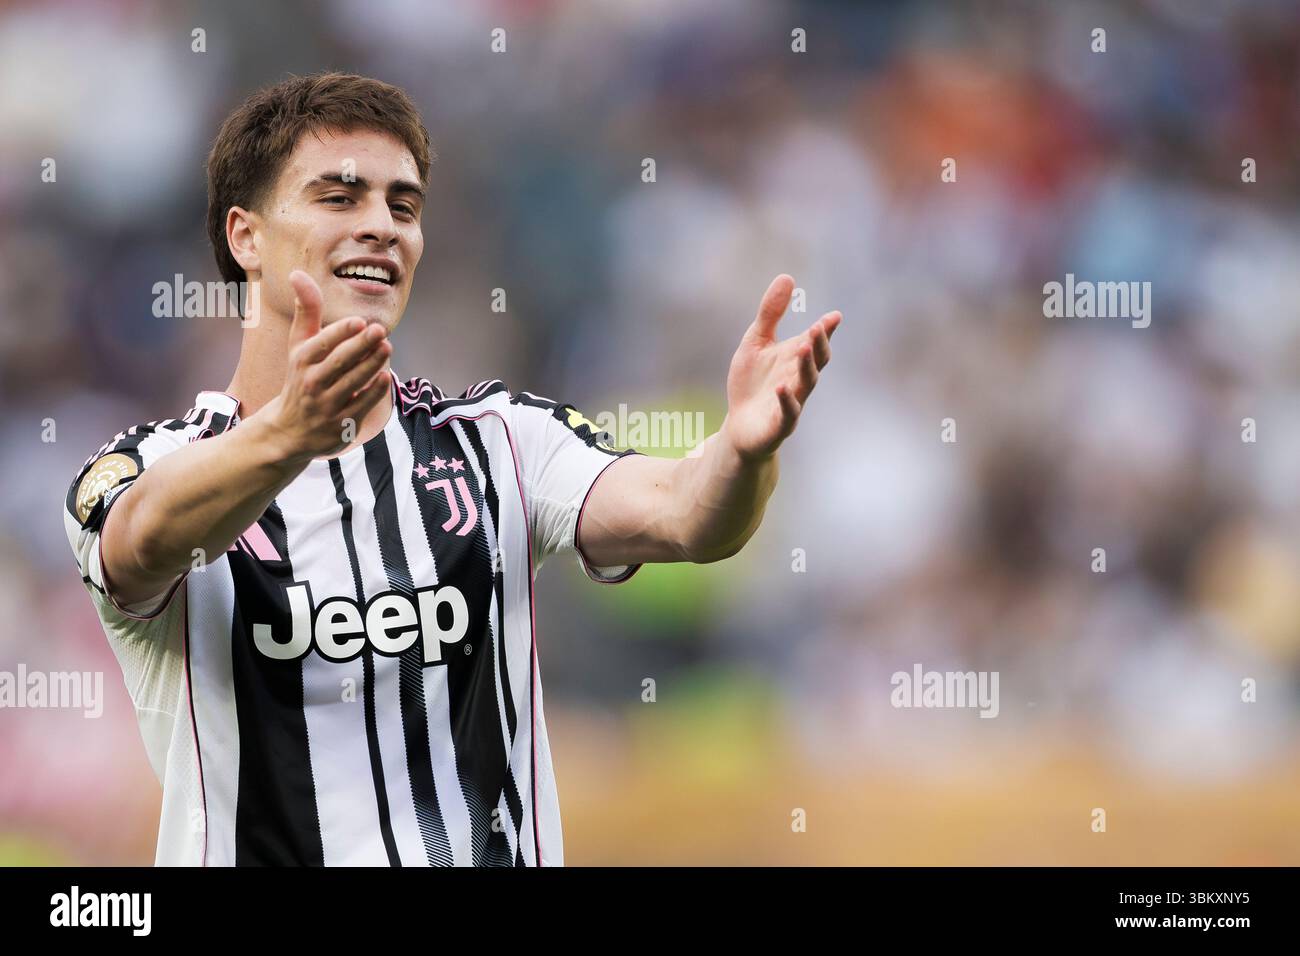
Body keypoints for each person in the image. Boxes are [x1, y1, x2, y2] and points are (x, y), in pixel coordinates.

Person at [62, 72, 840, 866]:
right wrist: (289, 434)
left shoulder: (498, 441)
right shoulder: (144, 466)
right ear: (245, 237)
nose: (382, 227)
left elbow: (687, 517)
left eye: (403, 207)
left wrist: (745, 454)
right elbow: (141, 544)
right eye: (340, 198)